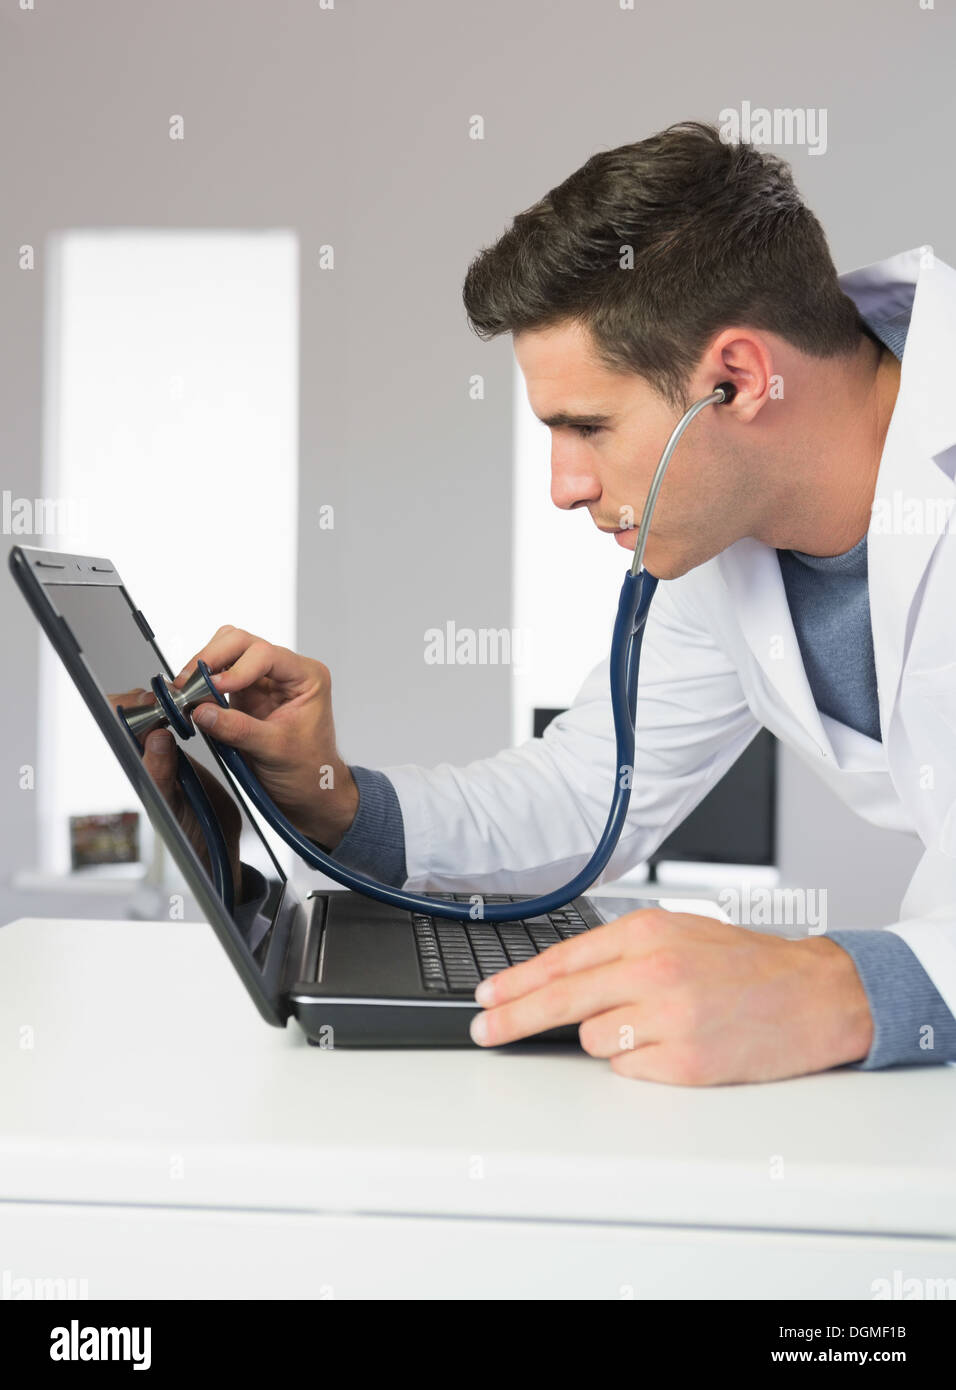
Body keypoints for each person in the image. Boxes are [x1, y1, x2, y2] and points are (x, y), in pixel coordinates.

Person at [176, 121, 956, 1084]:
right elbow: (588, 798)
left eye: (586, 426)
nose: (565, 486)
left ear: (739, 380)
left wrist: (842, 985)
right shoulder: (722, 545)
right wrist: (332, 799)